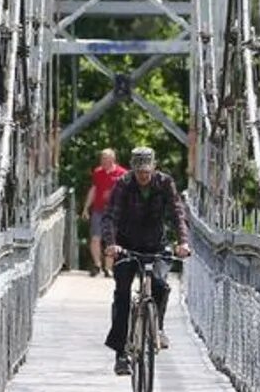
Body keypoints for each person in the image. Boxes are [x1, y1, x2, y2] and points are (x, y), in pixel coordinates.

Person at [101, 146, 191, 375]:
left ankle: (157, 326)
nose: (143, 176)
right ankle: (121, 354)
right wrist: (111, 243)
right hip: (126, 246)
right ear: (133, 169)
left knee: (160, 284)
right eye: (139, 172)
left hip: (156, 244)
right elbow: (110, 216)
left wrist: (183, 242)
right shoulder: (123, 184)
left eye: (147, 172)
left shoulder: (165, 183)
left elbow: (178, 213)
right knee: (122, 294)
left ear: (154, 168)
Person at [80, 148, 126, 276]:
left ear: (113, 159)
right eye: (102, 159)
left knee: (111, 240)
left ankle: (108, 268)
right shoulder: (98, 172)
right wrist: (86, 208)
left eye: (106, 159)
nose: (103, 161)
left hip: (115, 212)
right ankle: (97, 265)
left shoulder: (122, 173)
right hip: (98, 210)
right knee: (95, 238)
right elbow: (93, 190)